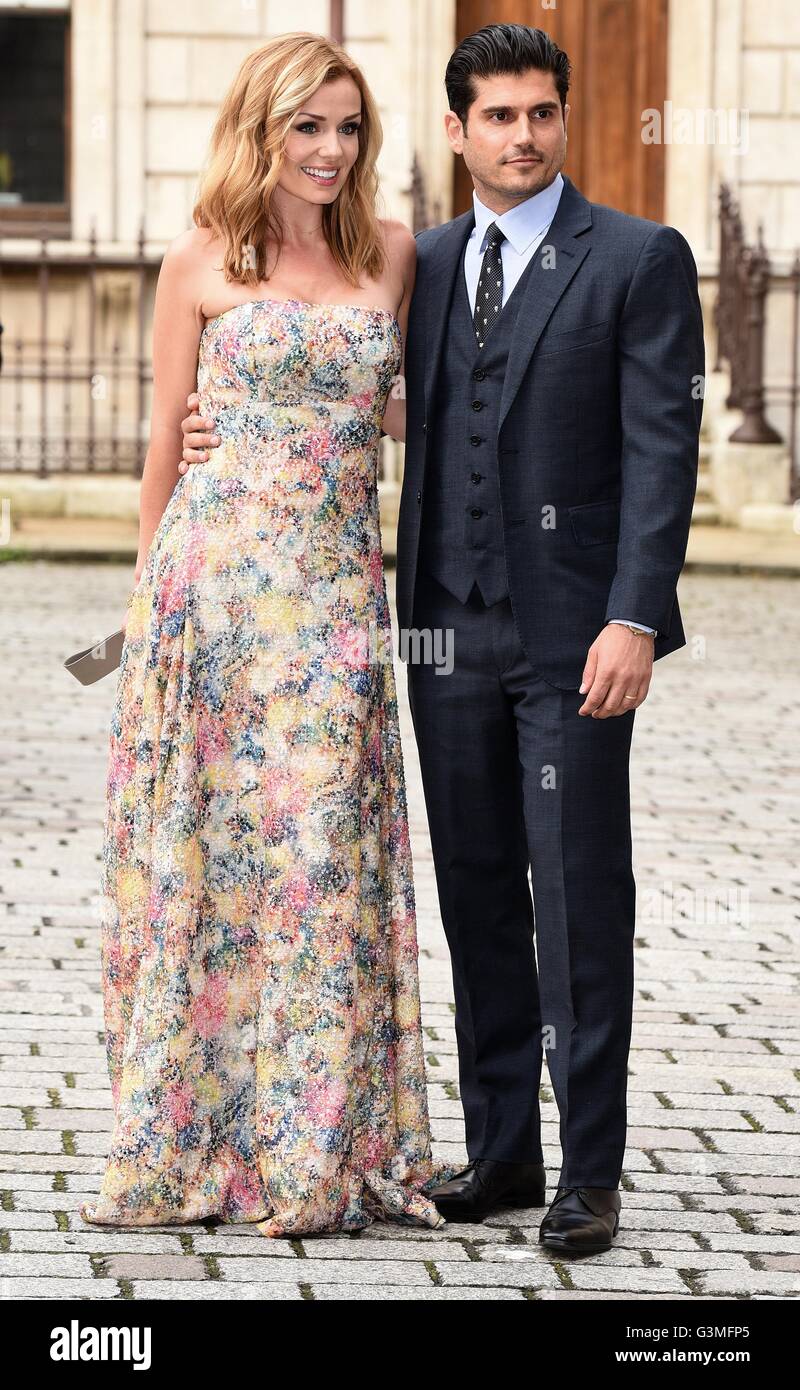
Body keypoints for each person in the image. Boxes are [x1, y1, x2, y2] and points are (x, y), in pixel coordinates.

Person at [180, 24, 705, 1255]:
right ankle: (502, 1156)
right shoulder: (417, 260)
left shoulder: (637, 257)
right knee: (473, 889)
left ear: (561, 122)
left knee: (575, 892)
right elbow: (346, 387)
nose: (524, 135)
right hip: (437, 635)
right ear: (459, 131)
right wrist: (223, 436)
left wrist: (634, 615)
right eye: (500, 116)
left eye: (543, 113)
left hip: (576, 639)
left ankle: (590, 1173)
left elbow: (659, 455)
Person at [80, 31, 457, 1240]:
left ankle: (316, 1155)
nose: (331, 150)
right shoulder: (198, 261)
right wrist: (145, 625)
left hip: (339, 608)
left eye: (348, 127)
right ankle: (203, 1146)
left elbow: (406, 411)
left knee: (320, 864)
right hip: (215, 595)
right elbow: (159, 450)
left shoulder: (395, 255)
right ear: (261, 131)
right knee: (217, 865)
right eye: (307, 127)